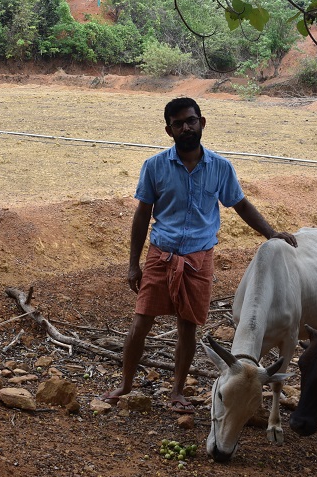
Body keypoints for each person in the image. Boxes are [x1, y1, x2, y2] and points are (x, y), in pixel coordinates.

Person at [100, 97, 298, 413]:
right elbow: (142, 215)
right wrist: (133, 264)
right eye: (178, 123)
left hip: (198, 260)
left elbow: (241, 205)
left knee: (187, 327)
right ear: (169, 130)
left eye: (191, 120)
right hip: (160, 256)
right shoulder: (155, 167)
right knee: (141, 323)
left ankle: (177, 392)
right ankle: (125, 384)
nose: (186, 127)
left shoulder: (220, 168)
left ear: (202, 123)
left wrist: (272, 234)